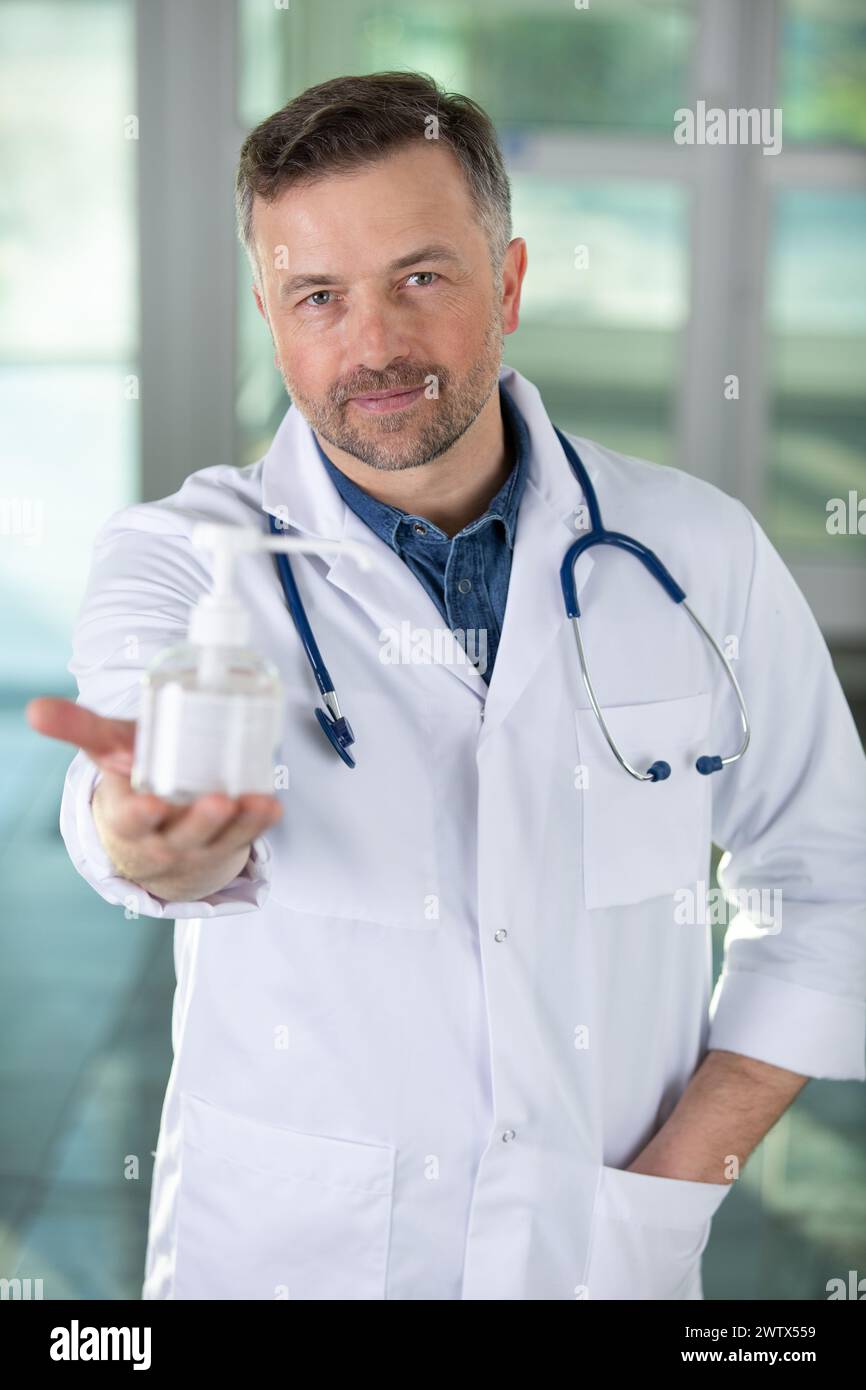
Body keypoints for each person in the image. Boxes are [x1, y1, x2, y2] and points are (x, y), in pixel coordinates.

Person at [27, 71, 866, 1301]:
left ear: (509, 282)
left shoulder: (698, 552)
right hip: (280, 1261)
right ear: (271, 311)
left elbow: (829, 881)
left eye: (421, 278)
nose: (373, 346)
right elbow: (141, 766)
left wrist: (679, 1179)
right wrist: (152, 838)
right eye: (318, 296)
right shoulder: (178, 553)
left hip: (596, 1264)